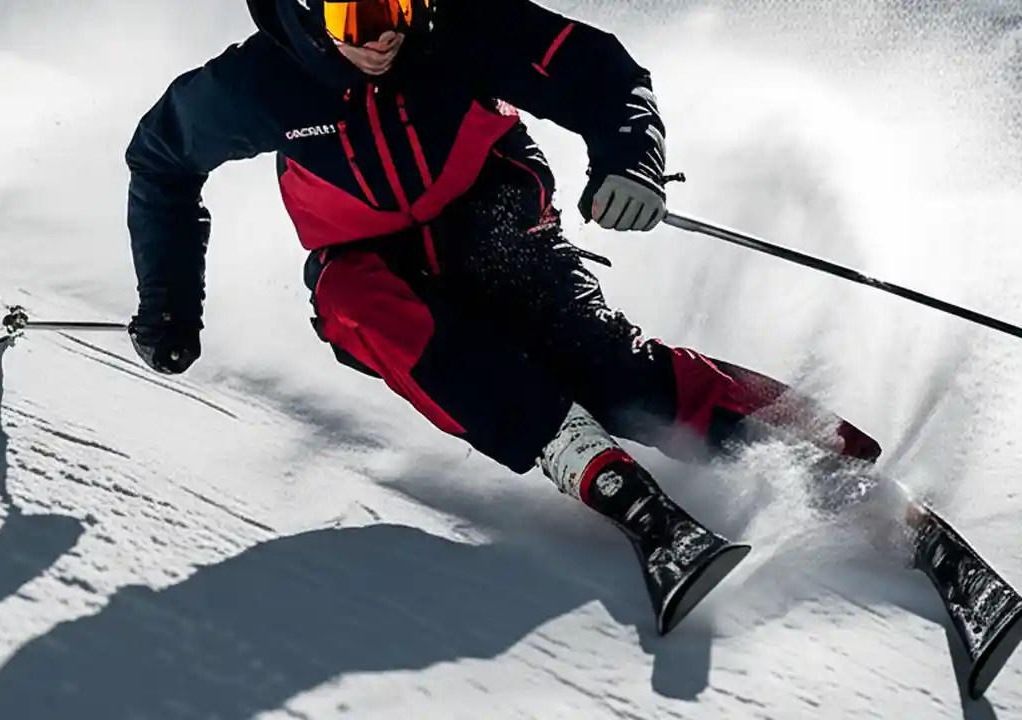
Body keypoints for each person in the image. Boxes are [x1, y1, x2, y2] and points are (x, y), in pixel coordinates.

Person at [123, 0, 883, 632]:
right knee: (364, 309)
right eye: (355, 15)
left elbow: (600, 72)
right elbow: (161, 160)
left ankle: (825, 453)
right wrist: (167, 304)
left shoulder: (456, 26)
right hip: (368, 262)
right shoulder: (258, 83)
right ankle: (575, 451)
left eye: (396, 6)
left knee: (606, 369)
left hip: (490, 213)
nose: (383, 33)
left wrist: (630, 161)